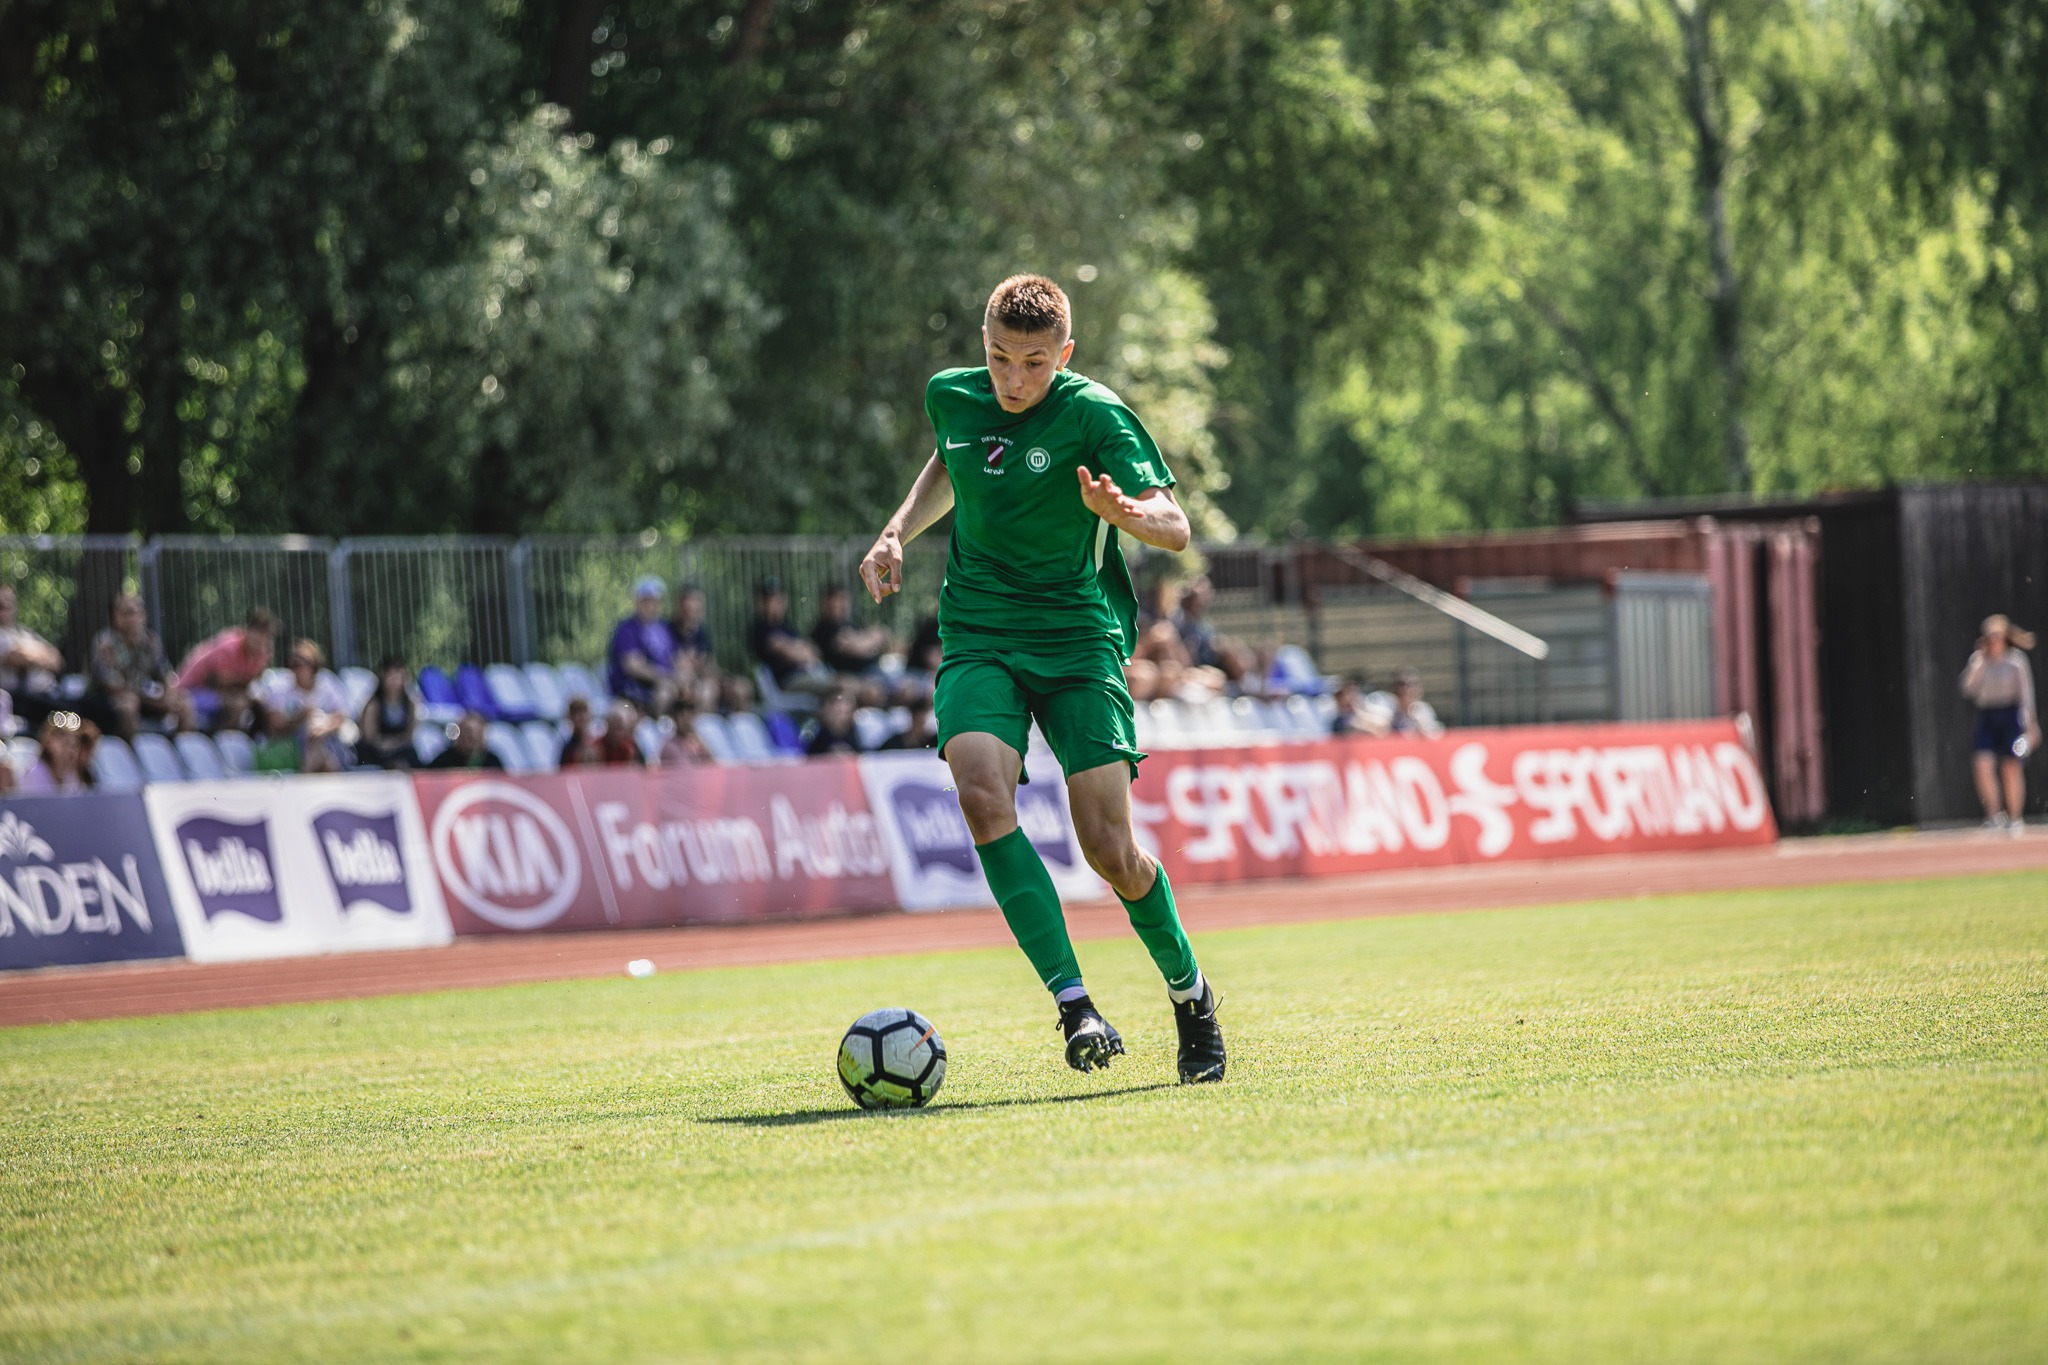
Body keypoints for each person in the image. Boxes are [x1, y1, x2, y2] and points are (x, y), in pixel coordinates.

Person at [858, 272, 1225, 1084]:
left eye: (1033, 363)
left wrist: (1128, 514)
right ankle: (1074, 1003)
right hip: (980, 633)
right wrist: (895, 533)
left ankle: (1191, 993)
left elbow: (1175, 524)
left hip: (1077, 639)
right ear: (982, 345)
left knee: (1110, 849)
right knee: (981, 792)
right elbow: (951, 462)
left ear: (1065, 354)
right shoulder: (952, 397)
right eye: (999, 358)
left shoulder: (1095, 414)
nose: (1014, 380)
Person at [1961, 614, 2038, 835]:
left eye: (1996, 637)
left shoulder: (2016, 662)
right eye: (1988, 637)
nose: (1992, 642)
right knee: (1982, 764)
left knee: (2011, 766)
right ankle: (1994, 815)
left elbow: (2026, 696)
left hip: (2011, 716)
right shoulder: (1979, 661)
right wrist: (1979, 662)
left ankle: (2015, 818)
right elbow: (1967, 688)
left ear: (2004, 638)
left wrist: (2030, 725)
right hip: (1987, 716)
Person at [89, 594, 196, 739]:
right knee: (129, 705)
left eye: (137, 612)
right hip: (107, 700)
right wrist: (152, 699)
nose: (133, 617)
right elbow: (113, 685)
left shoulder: (151, 642)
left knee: (184, 703)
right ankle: (128, 749)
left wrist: (168, 695)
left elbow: (167, 675)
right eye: (127, 612)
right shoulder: (105, 644)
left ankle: (177, 747)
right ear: (115, 617)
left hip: (145, 699)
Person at [176, 607, 278, 733]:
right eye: (259, 633)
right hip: (190, 691)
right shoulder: (229, 647)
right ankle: (224, 740)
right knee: (238, 704)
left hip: (214, 691)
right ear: (248, 630)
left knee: (263, 706)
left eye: (267, 636)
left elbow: (250, 681)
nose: (262, 640)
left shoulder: (261, 653)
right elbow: (217, 682)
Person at [265, 639, 355, 772]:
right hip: (292, 746)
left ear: (314, 666)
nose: (296, 669)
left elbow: (342, 715)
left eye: (301, 663)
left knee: (317, 736)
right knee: (313, 736)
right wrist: (301, 717)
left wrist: (323, 727)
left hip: (329, 743)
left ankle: (308, 772)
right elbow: (276, 724)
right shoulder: (279, 688)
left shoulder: (327, 683)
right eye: (293, 663)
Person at [0, 583, 68, 731]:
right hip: (21, 701)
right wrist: (39, 653)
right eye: (1, 603)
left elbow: (56, 659)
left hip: (49, 694)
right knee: (72, 716)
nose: (5, 604)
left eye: (8, 600)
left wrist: (30, 653)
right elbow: (15, 658)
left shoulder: (24, 632)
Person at [748, 577, 834, 694]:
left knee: (847, 685)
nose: (775, 603)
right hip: (788, 680)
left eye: (778, 598)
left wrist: (796, 649)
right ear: (761, 602)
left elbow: (815, 652)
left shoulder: (787, 627)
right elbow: (790, 654)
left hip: (807, 675)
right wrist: (799, 650)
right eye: (770, 599)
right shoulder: (762, 628)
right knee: (840, 687)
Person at [606, 578, 678, 716]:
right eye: (647, 601)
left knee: (696, 690)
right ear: (637, 602)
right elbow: (633, 667)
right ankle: (657, 725)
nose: (651, 606)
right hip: (633, 690)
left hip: (663, 683)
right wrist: (665, 678)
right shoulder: (627, 629)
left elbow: (674, 659)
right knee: (666, 693)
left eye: (655, 601)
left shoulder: (664, 629)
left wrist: (682, 677)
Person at [356, 656, 420, 769]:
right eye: (392, 676)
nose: (396, 681)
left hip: (400, 749)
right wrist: (385, 745)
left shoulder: (410, 704)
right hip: (376, 752)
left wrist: (395, 743)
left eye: (399, 676)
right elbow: (369, 737)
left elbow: (409, 736)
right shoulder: (373, 704)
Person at [19, 710, 97, 794]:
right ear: (48, 743)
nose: (70, 750)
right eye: (65, 743)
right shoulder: (35, 774)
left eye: (74, 745)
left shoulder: (72, 775)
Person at [803, 684, 867, 757]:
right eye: (836, 703)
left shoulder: (856, 732)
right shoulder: (814, 731)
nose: (841, 707)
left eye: (847, 702)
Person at [426, 711, 504, 770]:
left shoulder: (492, 762)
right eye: (468, 732)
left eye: (478, 733)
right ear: (459, 734)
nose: (473, 737)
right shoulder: (444, 761)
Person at [659, 695, 715, 766]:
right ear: (675, 716)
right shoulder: (669, 748)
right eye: (681, 711)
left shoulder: (700, 743)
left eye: (690, 710)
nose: (686, 716)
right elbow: (686, 770)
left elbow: (712, 766)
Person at [595, 701, 645, 766]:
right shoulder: (597, 748)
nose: (616, 732)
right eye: (614, 726)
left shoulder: (628, 749)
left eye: (619, 728)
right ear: (608, 725)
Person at [557, 695, 597, 767]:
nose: (581, 716)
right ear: (570, 717)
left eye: (584, 711)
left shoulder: (597, 743)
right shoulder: (567, 748)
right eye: (576, 712)